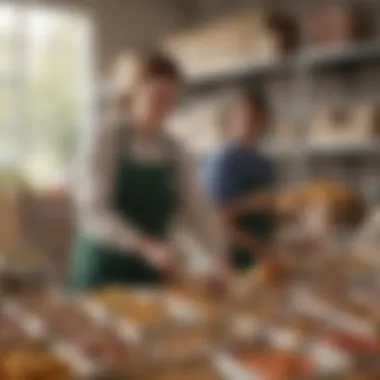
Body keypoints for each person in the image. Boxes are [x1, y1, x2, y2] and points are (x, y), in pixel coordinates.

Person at [69, 51, 226, 291]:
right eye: (158, 99)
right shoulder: (105, 139)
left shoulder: (174, 150)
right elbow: (94, 213)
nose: (165, 111)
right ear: (133, 93)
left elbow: (198, 209)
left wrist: (219, 258)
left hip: (149, 272)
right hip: (104, 270)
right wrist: (146, 246)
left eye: (172, 102)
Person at [203, 88, 276, 272]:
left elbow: (269, 213)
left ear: (264, 122)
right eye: (244, 118)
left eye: (256, 119)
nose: (249, 125)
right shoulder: (223, 163)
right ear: (232, 120)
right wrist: (258, 248)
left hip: (260, 262)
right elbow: (216, 218)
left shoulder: (264, 165)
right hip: (229, 261)